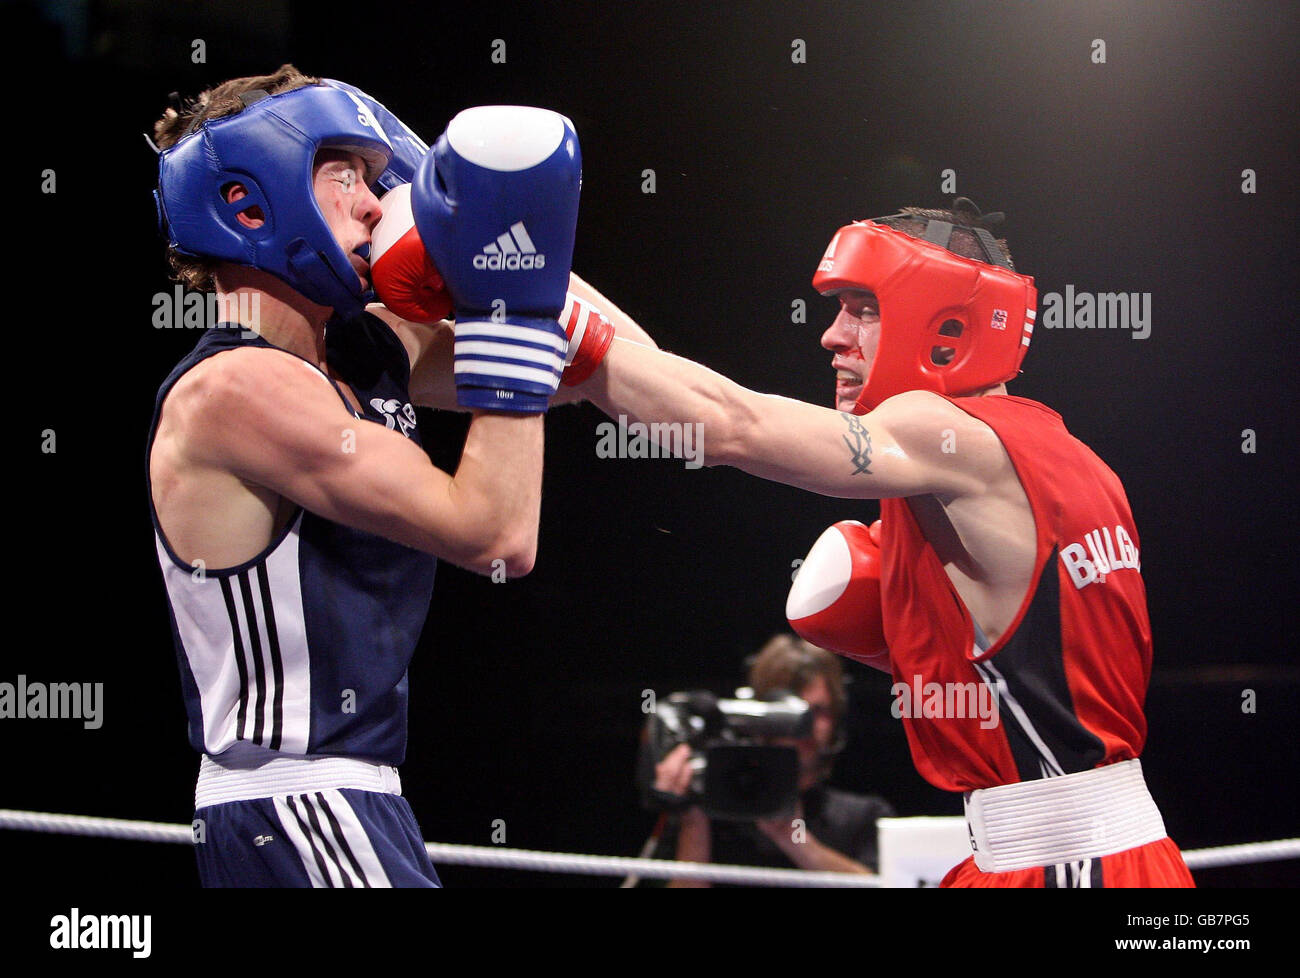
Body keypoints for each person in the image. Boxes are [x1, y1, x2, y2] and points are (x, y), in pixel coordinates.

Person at [562, 197, 1194, 888]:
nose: (833, 336)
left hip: (1065, 862)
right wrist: (548, 286)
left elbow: (729, 425)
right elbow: (670, 380)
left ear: (947, 324)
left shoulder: (946, 434)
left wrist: (549, 319)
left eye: (863, 308)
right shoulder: (1068, 459)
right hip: (1076, 855)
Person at [146, 65, 596, 886]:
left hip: (340, 808)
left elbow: (597, 363)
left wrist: (518, 247)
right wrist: (511, 307)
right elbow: (496, 532)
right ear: (252, 201)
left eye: (378, 177)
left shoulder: (363, 353)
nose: (376, 204)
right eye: (343, 175)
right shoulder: (235, 389)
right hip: (298, 803)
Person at [651, 635, 894, 886]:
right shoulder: (712, 814)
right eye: (790, 713)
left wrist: (793, 838)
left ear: (836, 716)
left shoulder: (862, 817)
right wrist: (693, 819)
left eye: (817, 711)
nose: (804, 727)